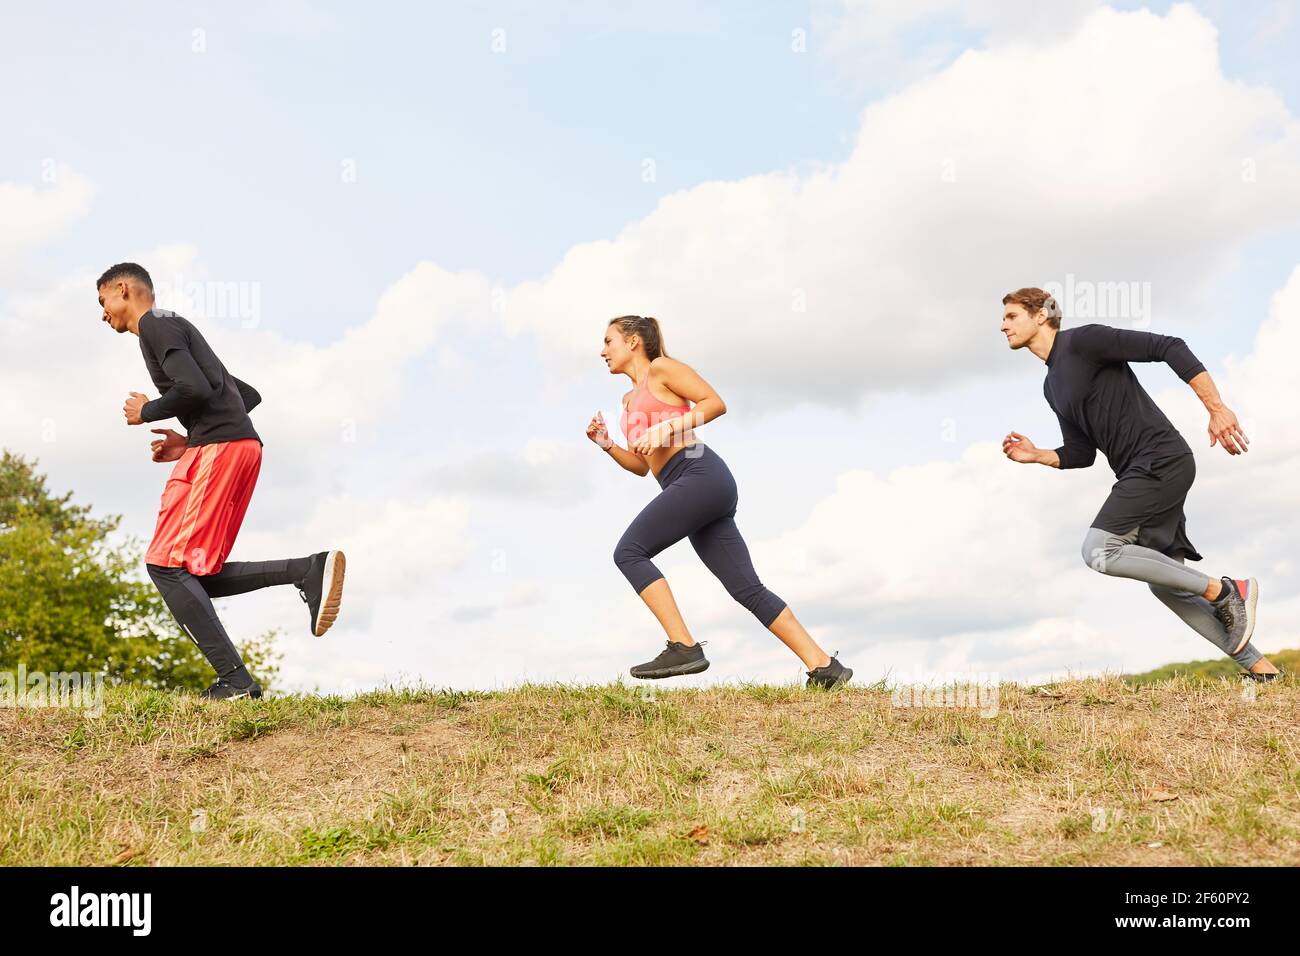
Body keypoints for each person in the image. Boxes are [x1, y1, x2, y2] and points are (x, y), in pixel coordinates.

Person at [999, 287, 1280, 681]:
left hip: (1160, 458)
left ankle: (1226, 591)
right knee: (1165, 584)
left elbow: (1169, 346)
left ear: (1041, 316)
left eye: (1011, 316)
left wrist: (1217, 409)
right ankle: (1262, 671)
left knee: (1099, 550)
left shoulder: (1085, 341)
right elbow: (1082, 453)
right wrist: (1038, 454)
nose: (1003, 326)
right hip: (1142, 470)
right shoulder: (1053, 386)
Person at [98, 262, 347, 699]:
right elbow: (243, 394)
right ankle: (306, 570)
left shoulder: (156, 324)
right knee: (195, 573)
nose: (103, 314)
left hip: (221, 450)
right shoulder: (175, 329)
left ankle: (235, 680)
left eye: (103, 302)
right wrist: (191, 440)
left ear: (123, 289)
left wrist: (148, 412)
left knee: (165, 565)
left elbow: (193, 388)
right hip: (238, 450)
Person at [585, 315, 852, 688]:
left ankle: (684, 645)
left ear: (632, 342)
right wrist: (607, 444)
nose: (602, 351)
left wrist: (667, 426)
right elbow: (642, 467)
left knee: (629, 552)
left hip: (700, 474)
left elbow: (715, 403)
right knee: (746, 588)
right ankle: (825, 668)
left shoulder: (661, 369)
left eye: (608, 341)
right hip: (685, 487)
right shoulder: (627, 401)